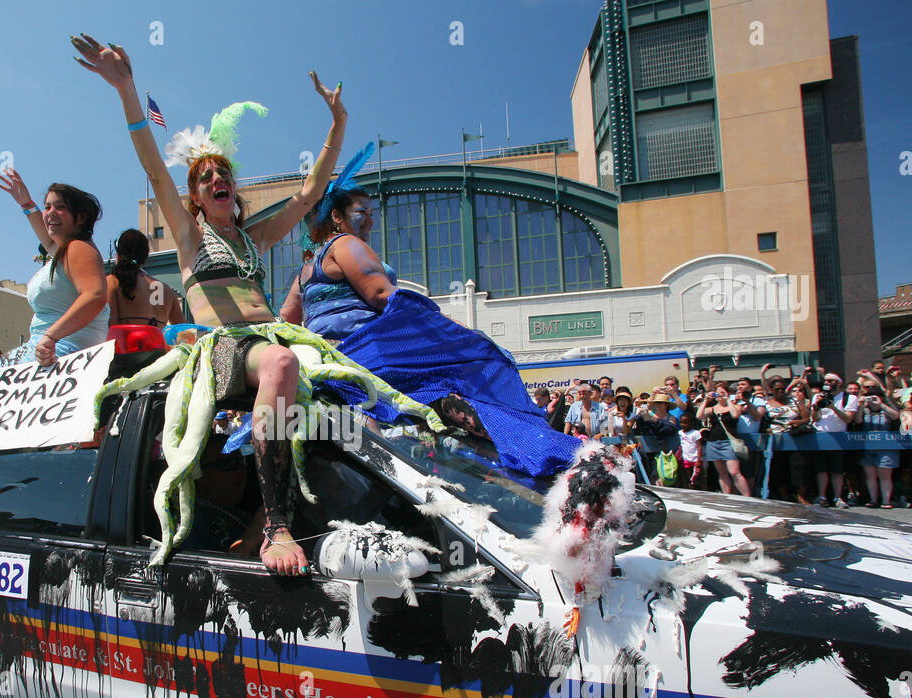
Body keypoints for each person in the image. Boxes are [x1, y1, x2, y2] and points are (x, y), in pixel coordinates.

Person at [74, 33, 346, 575]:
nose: (216, 178)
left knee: (349, 386)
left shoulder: (254, 237)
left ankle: (277, 521)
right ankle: (273, 525)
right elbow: (154, 167)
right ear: (194, 197)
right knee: (283, 362)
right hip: (225, 351)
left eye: (222, 173)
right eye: (204, 177)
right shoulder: (190, 237)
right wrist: (127, 89)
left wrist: (338, 124)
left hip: (273, 342)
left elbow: (311, 193)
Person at [278, 165, 578, 484]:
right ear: (337, 217)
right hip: (373, 356)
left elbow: (285, 321)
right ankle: (547, 455)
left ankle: (528, 459)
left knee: (441, 408)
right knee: (476, 367)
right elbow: (381, 294)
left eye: (372, 212)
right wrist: (452, 329)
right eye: (361, 211)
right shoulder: (344, 244)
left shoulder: (305, 272)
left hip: (338, 367)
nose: (370, 219)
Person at [0, 169, 109, 367]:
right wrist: (27, 204)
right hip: (51, 347)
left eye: (60, 207)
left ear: (81, 217)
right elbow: (49, 242)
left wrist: (51, 336)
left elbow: (95, 296)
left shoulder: (79, 248)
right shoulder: (64, 250)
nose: (50, 213)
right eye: (47, 207)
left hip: (63, 350)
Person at [106, 228, 183, 330]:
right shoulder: (167, 291)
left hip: (124, 344)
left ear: (118, 255)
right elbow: (185, 332)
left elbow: (110, 330)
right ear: (146, 257)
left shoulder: (113, 282)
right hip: (158, 345)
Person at [810, 372, 858, 507]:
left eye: (831, 381)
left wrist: (832, 407)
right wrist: (815, 407)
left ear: (839, 383)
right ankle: (822, 496)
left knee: (837, 470)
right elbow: (815, 418)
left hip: (838, 436)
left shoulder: (849, 398)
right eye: (825, 380)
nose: (827, 383)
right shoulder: (817, 396)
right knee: (821, 469)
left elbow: (848, 419)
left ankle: (838, 497)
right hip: (821, 435)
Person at [699, 381, 751, 496]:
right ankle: (727, 496)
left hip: (728, 442)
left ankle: (748, 497)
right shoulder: (712, 409)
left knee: (734, 472)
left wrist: (728, 400)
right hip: (713, 442)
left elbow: (735, 415)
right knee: (722, 473)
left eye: (722, 392)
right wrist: (706, 401)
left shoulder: (734, 406)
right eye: (717, 393)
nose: (720, 395)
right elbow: (699, 415)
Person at [853, 391, 900, 508]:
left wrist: (881, 404)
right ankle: (873, 500)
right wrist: (862, 405)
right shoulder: (865, 410)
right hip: (867, 446)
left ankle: (886, 501)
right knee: (870, 475)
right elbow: (858, 420)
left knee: (885, 475)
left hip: (886, 447)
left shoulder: (885, 410)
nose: (872, 401)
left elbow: (896, 416)